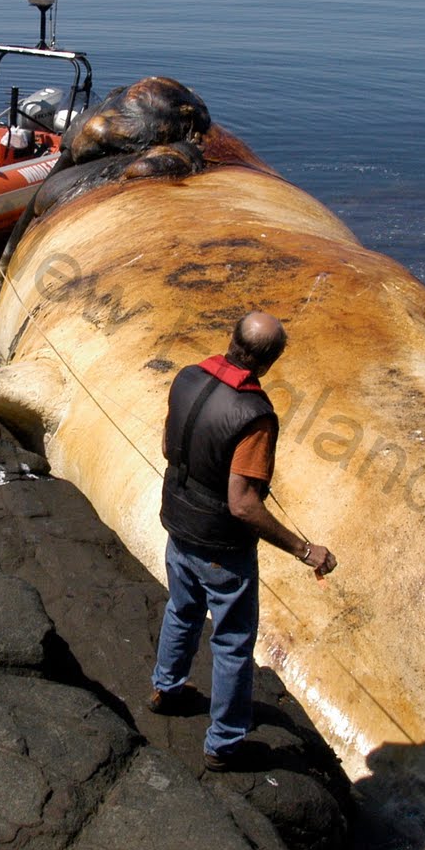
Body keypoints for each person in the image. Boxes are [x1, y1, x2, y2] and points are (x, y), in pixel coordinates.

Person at [148, 311, 337, 771]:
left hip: (177, 520)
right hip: (220, 546)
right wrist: (304, 550)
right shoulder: (255, 415)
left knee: (182, 608)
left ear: (232, 339)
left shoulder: (188, 377)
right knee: (232, 642)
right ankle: (224, 744)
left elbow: (169, 448)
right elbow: (243, 505)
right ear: (270, 362)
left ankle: (167, 690)